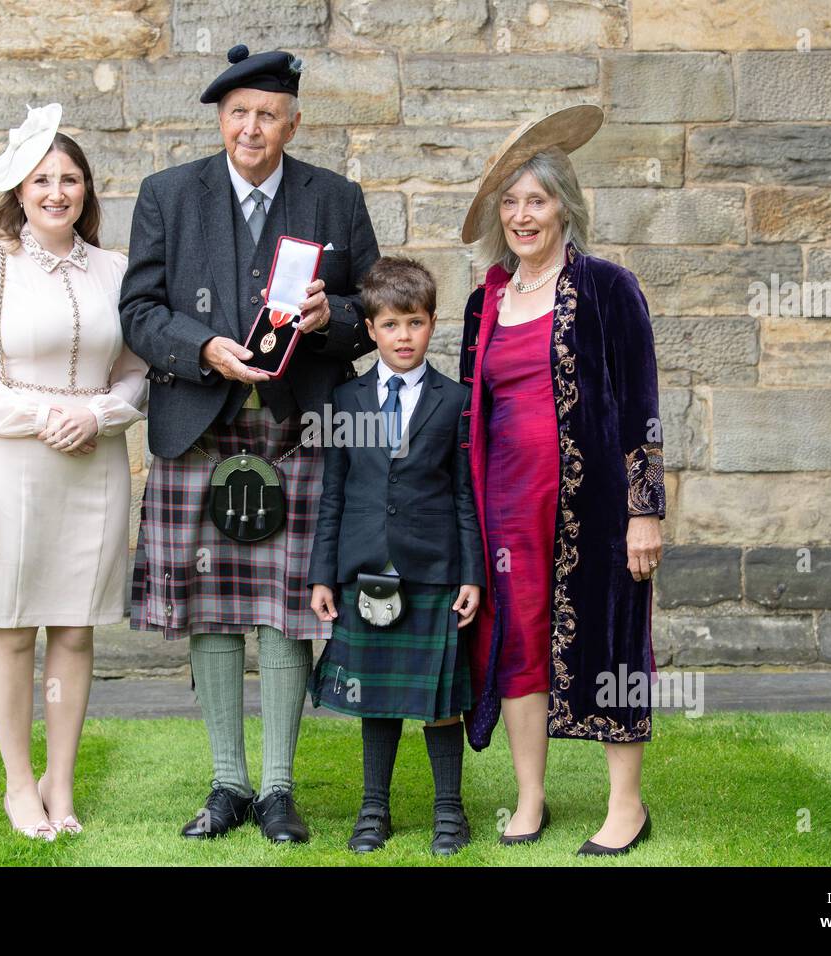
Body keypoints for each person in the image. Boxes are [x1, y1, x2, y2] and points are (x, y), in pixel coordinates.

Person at [121, 44, 380, 843]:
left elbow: (376, 310)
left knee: (289, 609)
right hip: (201, 424)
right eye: (239, 113)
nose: (252, 128)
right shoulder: (168, 195)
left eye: (268, 114)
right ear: (221, 120)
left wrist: (327, 318)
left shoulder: (335, 198)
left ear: (292, 121)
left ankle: (276, 790)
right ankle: (227, 783)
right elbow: (137, 310)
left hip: (294, 428)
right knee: (212, 608)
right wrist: (201, 348)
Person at [458, 105, 664, 856]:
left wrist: (646, 511)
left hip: (597, 505)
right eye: (509, 203)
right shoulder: (484, 302)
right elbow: (467, 416)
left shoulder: (609, 288)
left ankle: (626, 805)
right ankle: (530, 798)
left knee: (613, 642)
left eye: (536, 200)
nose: (521, 216)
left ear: (564, 207)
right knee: (517, 644)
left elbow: (642, 405)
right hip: (506, 508)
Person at [0, 103, 149, 841]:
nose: (57, 192)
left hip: (93, 465)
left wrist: (96, 417)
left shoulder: (116, 269)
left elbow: (134, 373)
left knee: (75, 628)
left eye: (71, 179)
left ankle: (62, 783)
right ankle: (18, 784)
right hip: (15, 464)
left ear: (87, 191)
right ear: (20, 191)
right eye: (43, 180)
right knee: (10, 627)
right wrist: (43, 417)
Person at [307, 256, 484, 856]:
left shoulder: (456, 400)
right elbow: (333, 494)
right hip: (364, 573)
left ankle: (449, 812)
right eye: (390, 325)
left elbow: (465, 495)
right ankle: (373, 810)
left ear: (432, 324)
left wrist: (473, 575)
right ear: (372, 329)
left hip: (433, 571)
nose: (403, 337)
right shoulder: (346, 398)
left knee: (438, 701)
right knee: (374, 698)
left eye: (414, 323)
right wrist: (322, 576)